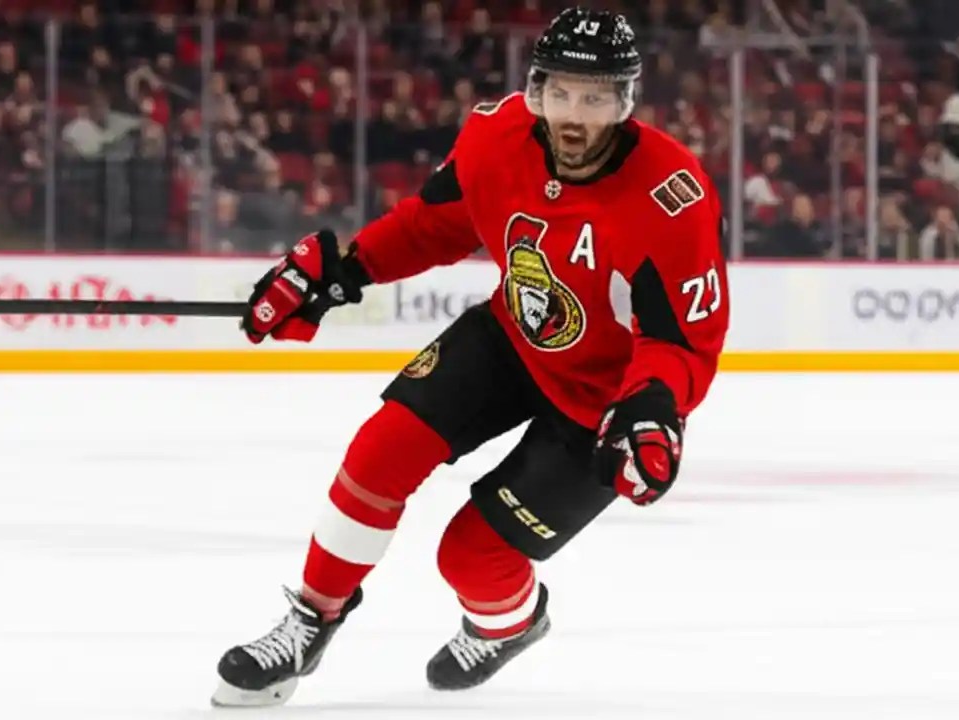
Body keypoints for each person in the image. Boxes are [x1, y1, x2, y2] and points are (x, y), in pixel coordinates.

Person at [210, 7, 729, 707]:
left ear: (624, 104)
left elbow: (679, 340)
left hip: (603, 402)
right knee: (380, 452)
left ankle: (510, 625)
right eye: (560, 92)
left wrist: (652, 408)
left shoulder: (671, 197)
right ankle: (310, 621)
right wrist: (344, 271)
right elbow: (434, 226)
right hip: (510, 337)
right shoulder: (496, 135)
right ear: (536, 89)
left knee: (470, 557)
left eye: (595, 98)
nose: (574, 116)